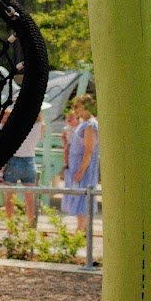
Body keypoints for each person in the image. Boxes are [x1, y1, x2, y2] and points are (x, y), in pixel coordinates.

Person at [2, 102, 49, 225]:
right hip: (29, 160)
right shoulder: (41, 125)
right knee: (30, 199)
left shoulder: (16, 122)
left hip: (14, 159)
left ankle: (10, 228)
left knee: (9, 199)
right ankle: (30, 226)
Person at [61, 94, 101, 234]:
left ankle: (82, 229)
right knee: (78, 197)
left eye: (77, 106)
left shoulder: (90, 125)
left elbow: (89, 150)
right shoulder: (84, 123)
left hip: (83, 167)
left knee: (83, 196)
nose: (75, 110)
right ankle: (81, 227)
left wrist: (81, 170)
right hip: (76, 164)